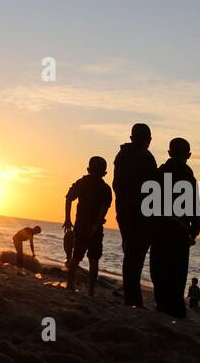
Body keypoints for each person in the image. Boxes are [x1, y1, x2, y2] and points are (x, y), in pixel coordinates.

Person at [149, 137, 200, 318]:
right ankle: (175, 306)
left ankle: (162, 304)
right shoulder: (189, 177)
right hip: (179, 230)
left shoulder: (159, 173)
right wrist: (194, 230)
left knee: (159, 267)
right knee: (177, 271)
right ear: (188, 155)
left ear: (169, 153)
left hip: (160, 228)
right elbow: (195, 208)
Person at [113, 123, 158, 307]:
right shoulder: (146, 157)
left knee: (130, 254)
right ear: (148, 140)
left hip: (123, 211)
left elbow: (117, 185)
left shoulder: (121, 155)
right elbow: (153, 189)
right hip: (140, 214)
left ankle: (131, 298)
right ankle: (133, 300)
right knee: (135, 257)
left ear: (132, 138)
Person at [64, 156, 113, 296]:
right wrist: (96, 225)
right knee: (93, 259)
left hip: (82, 226)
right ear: (105, 173)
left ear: (88, 169)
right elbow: (104, 210)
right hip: (93, 228)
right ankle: (90, 290)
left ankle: (71, 284)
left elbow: (68, 198)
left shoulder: (82, 183)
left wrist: (67, 219)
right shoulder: (105, 188)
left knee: (77, 257)